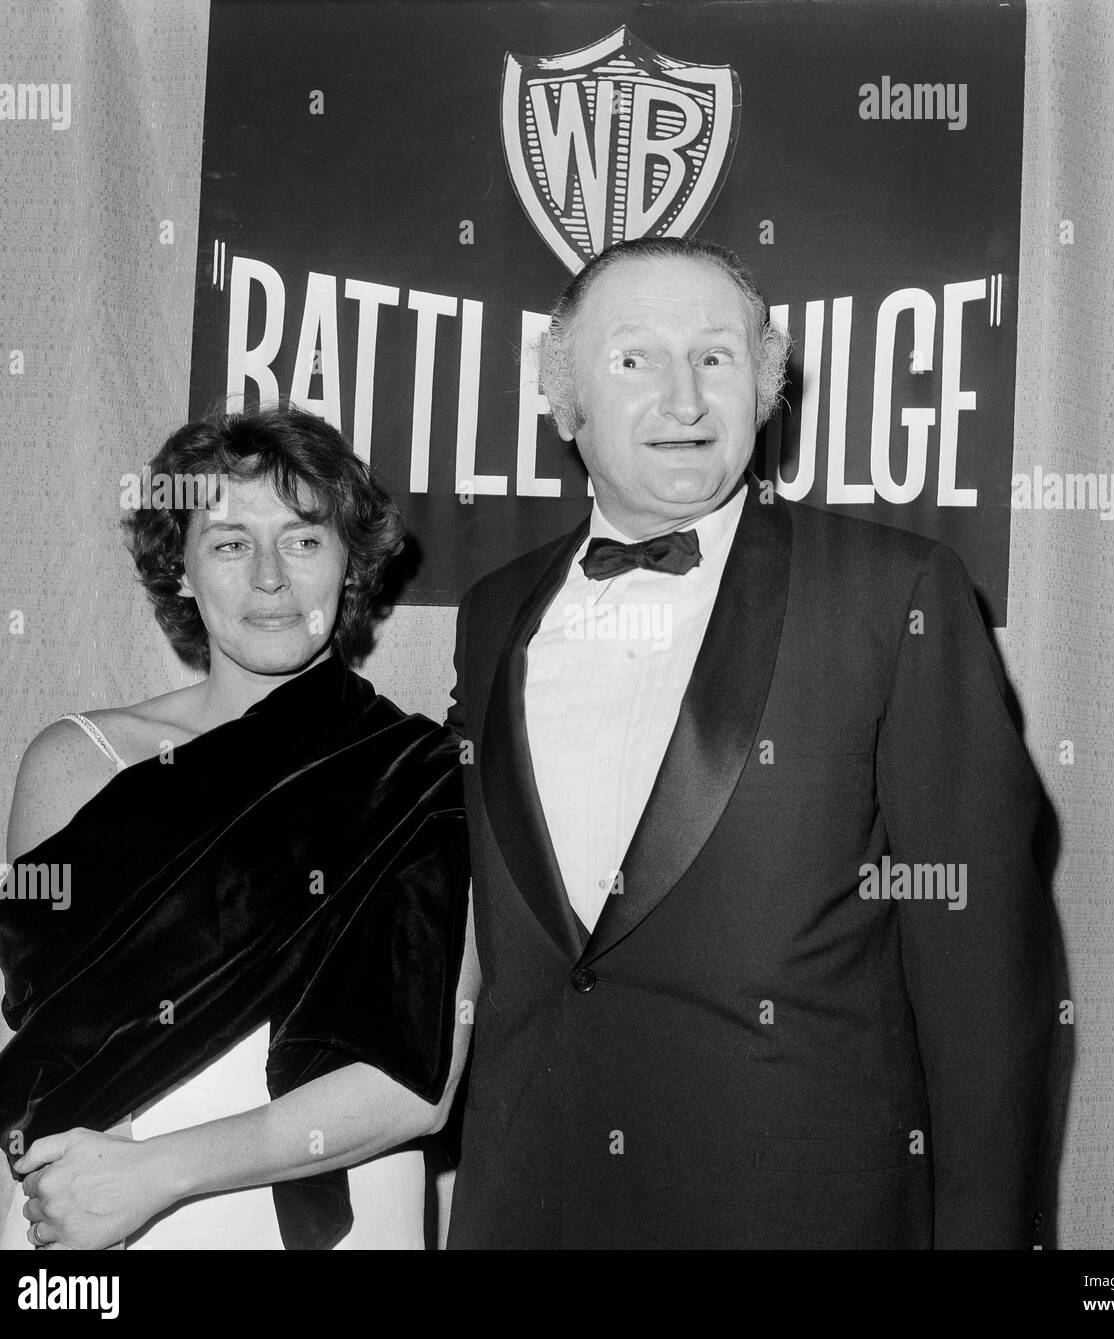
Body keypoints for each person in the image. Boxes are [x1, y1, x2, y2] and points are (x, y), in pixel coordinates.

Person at [446, 237, 1053, 1249]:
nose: (683, 400)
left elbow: (982, 977)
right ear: (564, 401)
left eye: (716, 358)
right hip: (530, 1201)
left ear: (767, 387)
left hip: (798, 1209)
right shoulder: (494, 610)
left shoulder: (893, 594)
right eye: (634, 359)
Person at [0, 403, 477, 1250]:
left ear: (350, 566)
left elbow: (414, 1085)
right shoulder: (78, 761)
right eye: (227, 543)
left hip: (330, 1209)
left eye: (303, 538)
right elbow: (56, 1056)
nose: (268, 579)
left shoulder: (419, 775)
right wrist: (114, 1185)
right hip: (104, 1212)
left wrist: (162, 1173)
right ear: (177, 569)